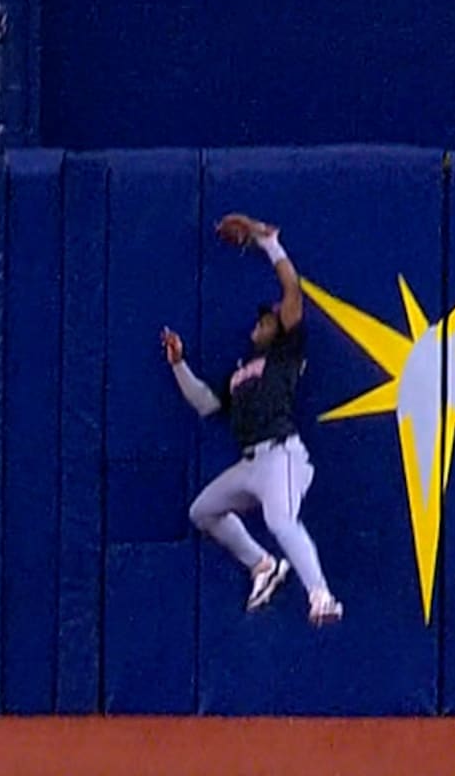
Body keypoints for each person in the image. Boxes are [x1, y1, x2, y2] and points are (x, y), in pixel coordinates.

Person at [161, 213, 344, 626]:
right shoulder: (241, 369)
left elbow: (292, 291)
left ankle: (322, 596)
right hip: (251, 463)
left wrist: (269, 243)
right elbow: (206, 404)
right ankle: (262, 565)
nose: (260, 324)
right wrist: (178, 364)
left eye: (267, 320)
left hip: (281, 454)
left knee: (280, 520)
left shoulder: (285, 354)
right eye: (261, 320)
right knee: (202, 511)